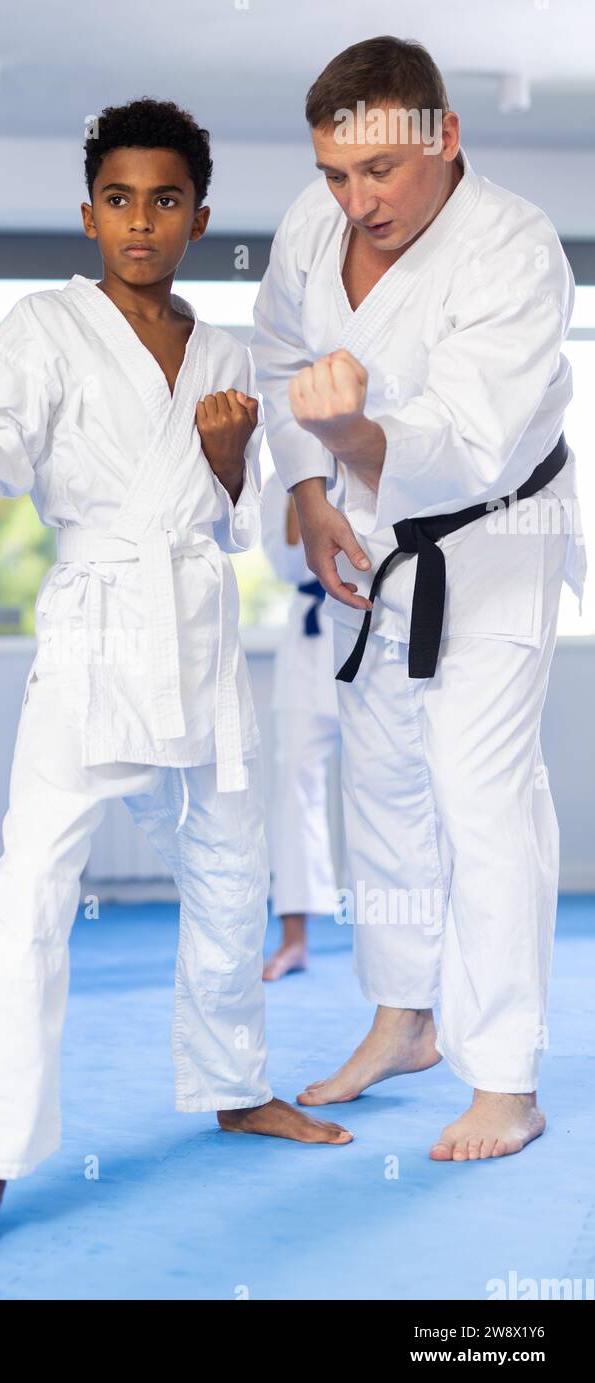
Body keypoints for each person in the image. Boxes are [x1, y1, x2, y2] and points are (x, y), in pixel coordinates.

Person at [0, 97, 353, 1272]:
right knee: (26, 904)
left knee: (227, 873)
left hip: (198, 639)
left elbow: (239, 520)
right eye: (118, 200)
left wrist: (226, 457)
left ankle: (234, 1085)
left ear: (199, 217)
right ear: (87, 214)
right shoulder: (48, 326)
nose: (140, 223)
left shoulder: (228, 350)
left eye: (164, 201)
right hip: (96, 633)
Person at [252, 36, 584, 1161]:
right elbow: (277, 351)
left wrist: (352, 435)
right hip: (364, 535)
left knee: (479, 794)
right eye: (336, 175)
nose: (356, 201)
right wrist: (308, 483)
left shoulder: (514, 247)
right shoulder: (317, 222)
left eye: (380, 172)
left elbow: (480, 438)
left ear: (444, 136)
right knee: (382, 782)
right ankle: (404, 1015)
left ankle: (507, 1078)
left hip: (492, 541)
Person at [259, 470, 340, 980]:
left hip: (378, 628)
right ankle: (294, 938)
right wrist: (302, 478)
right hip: (309, 643)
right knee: (293, 783)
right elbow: (288, 564)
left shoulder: (375, 450)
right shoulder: (278, 482)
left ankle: (413, 932)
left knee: (391, 783)